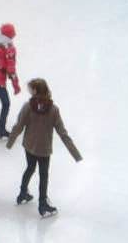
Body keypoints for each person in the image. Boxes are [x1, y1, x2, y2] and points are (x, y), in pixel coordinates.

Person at [6, 78, 82, 217]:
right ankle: (42, 204)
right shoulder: (53, 110)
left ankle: (23, 192)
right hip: (44, 149)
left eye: (30, 89)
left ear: (35, 90)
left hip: (29, 146)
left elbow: (19, 126)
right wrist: (76, 154)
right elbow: (62, 133)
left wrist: (10, 142)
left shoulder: (28, 107)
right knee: (43, 175)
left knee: (30, 168)